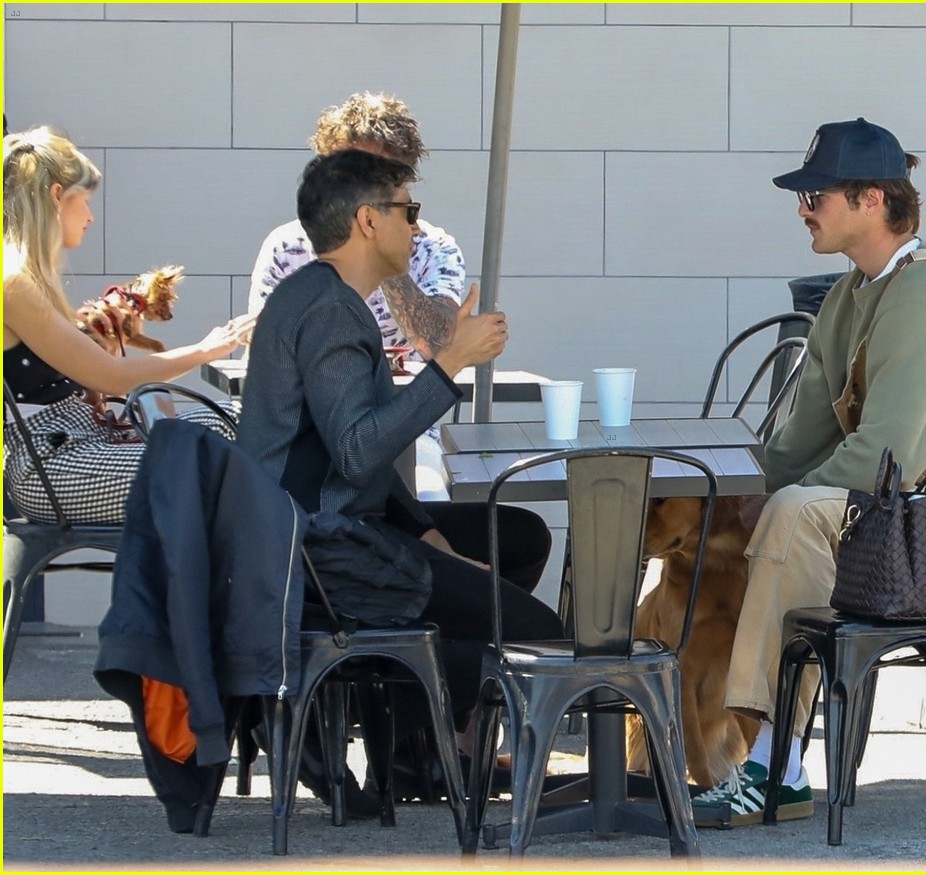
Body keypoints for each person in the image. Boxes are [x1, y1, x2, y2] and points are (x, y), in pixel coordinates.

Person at [690, 118, 926, 826]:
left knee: (793, 516)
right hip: (895, 512)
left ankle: (773, 764)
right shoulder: (850, 296)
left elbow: (887, 456)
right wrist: (724, 489)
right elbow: (800, 440)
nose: (802, 209)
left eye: (816, 195)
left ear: (872, 199)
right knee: (743, 516)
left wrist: (780, 499)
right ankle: (695, 746)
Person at [237, 149, 563, 806]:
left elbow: (349, 456)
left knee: (519, 536)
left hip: (332, 525)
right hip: (325, 552)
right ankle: (410, 733)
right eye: (407, 210)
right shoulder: (330, 310)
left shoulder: (323, 296)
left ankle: (414, 750)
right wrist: (450, 364)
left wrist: (424, 530)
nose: (416, 226)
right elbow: (358, 451)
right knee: (540, 636)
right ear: (368, 220)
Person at [3, 126, 252, 525]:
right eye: (84, 199)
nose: (90, 215)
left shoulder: (28, 280)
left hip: (78, 444)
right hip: (53, 467)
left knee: (238, 420)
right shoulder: (13, 283)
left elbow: (99, 381)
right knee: (215, 459)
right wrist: (208, 349)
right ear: (55, 196)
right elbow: (113, 378)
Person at [247, 91, 463, 362]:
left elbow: (440, 346)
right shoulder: (288, 246)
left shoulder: (433, 248)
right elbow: (266, 349)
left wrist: (387, 253)